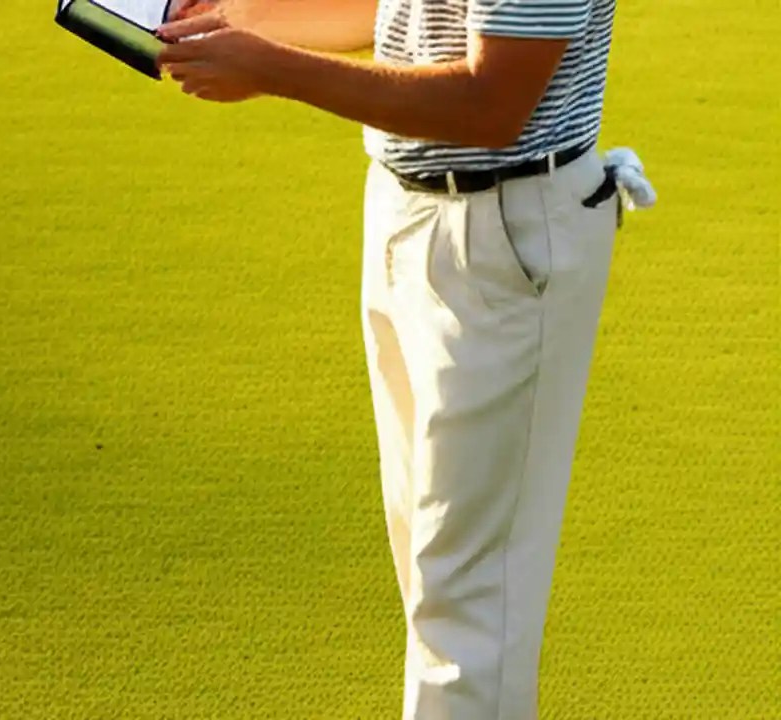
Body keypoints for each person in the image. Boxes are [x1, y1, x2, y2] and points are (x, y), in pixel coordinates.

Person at [156, 1, 631, 718]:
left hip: (503, 237)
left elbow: (493, 102)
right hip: (409, 213)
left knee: (469, 599)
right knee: (431, 570)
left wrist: (270, 68)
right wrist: (232, 20)